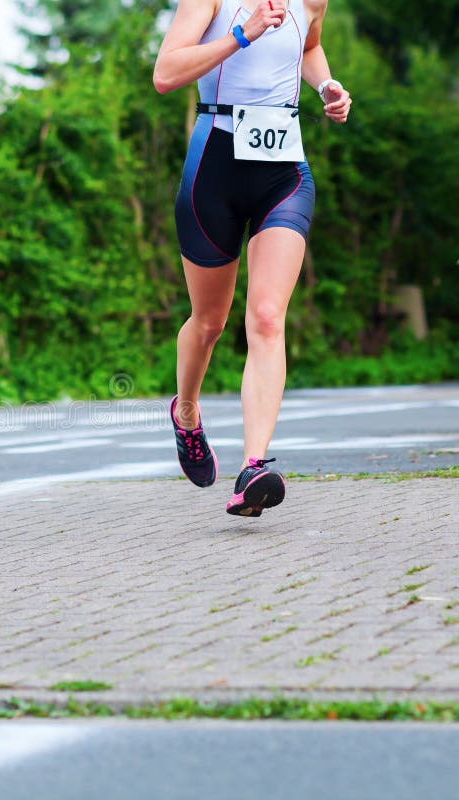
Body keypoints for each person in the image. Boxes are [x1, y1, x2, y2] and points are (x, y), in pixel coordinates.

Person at [153, 0, 351, 517]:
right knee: (209, 322)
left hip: (284, 172)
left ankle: (253, 468)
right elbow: (165, 73)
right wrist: (241, 35)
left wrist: (325, 85)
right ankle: (188, 415)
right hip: (214, 168)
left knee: (266, 316)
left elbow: (310, 45)